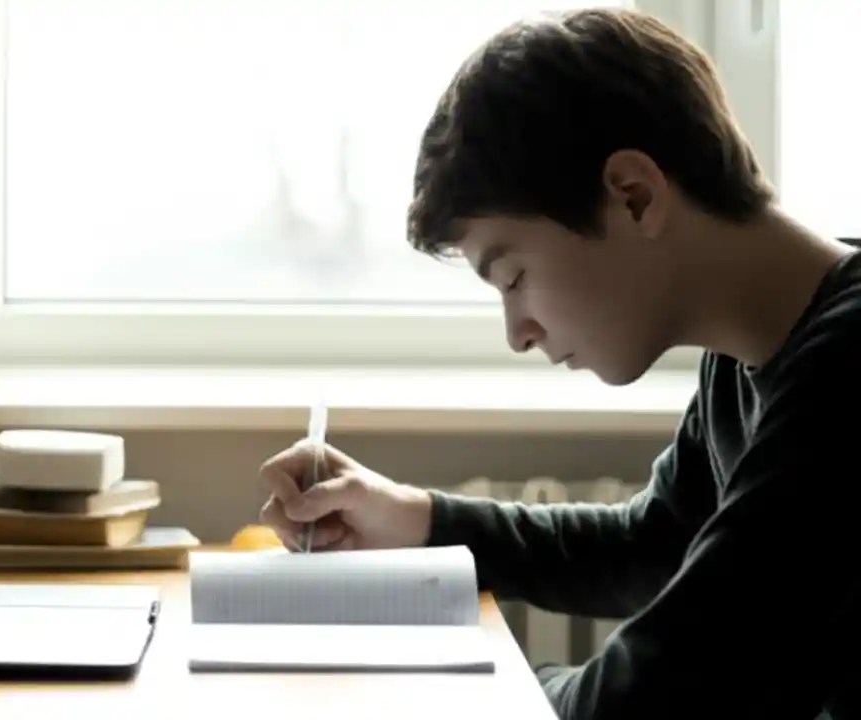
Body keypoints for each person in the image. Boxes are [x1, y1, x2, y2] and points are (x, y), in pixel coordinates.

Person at [257, 7, 861, 719]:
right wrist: (415, 519)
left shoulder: (848, 371)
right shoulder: (751, 354)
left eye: (514, 276)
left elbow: (657, 698)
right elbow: (654, 546)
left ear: (633, 197)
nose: (519, 333)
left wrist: (459, 686)